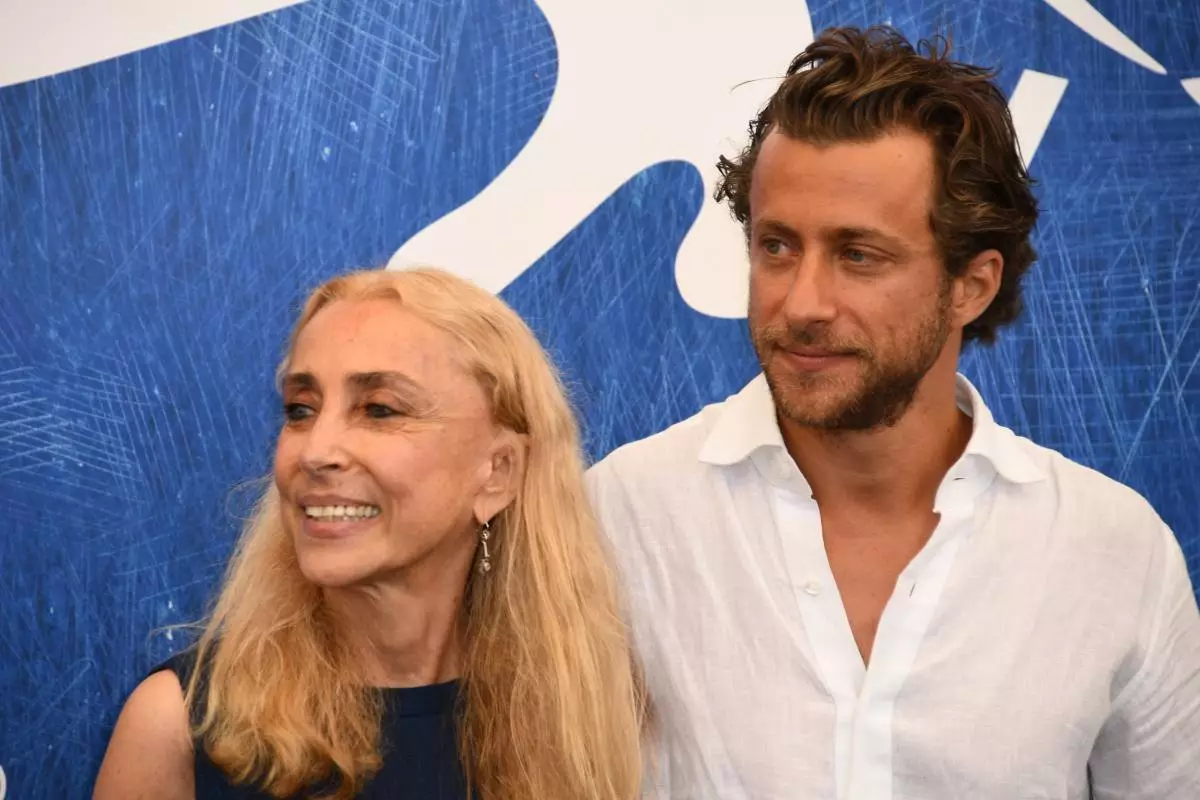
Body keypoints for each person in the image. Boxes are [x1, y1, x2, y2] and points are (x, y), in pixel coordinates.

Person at [586, 25, 1200, 800]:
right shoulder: (621, 515)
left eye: (858, 254)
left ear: (971, 286)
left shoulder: (1115, 552)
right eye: (777, 246)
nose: (801, 303)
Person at [95, 267, 646, 799]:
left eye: (379, 410)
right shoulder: (177, 727)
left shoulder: (588, 720)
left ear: (498, 472)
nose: (315, 451)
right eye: (300, 409)